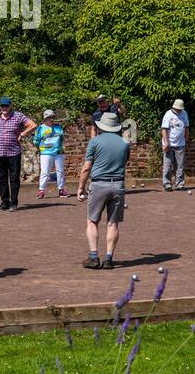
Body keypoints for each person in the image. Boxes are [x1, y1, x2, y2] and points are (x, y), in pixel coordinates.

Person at [77, 111, 130, 268]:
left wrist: (81, 187)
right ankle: (108, 259)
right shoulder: (125, 142)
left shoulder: (95, 142)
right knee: (113, 224)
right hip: (118, 185)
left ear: (102, 126)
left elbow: (86, 168)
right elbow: (125, 161)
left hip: (99, 184)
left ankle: (94, 257)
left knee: (92, 221)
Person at [0, 97, 35, 211]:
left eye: (6, 106)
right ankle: (4, 202)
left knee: (14, 178)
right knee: (2, 178)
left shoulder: (18, 116)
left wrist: (23, 134)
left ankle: (13, 203)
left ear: (11, 105)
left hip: (14, 152)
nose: (4, 108)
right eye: (2, 106)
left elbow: (33, 125)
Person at [33, 110, 67, 199]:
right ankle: (41, 191)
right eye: (49, 118)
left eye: (53, 117)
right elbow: (36, 141)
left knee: (60, 172)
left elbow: (61, 138)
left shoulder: (58, 127)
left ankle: (61, 190)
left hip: (58, 152)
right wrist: (41, 149)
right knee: (45, 172)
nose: (52, 119)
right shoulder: (40, 128)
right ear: (45, 119)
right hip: (46, 153)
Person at [161, 99, 189, 191]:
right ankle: (167, 183)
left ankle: (180, 184)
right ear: (174, 107)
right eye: (178, 109)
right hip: (169, 143)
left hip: (180, 143)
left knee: (180, 165)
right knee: (168, 165)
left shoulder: (184, 113)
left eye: (180, 109)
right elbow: (164, 129)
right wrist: (166, 143)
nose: (179, 111)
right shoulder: (168, 114)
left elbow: (186, 127)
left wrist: (186, 140)